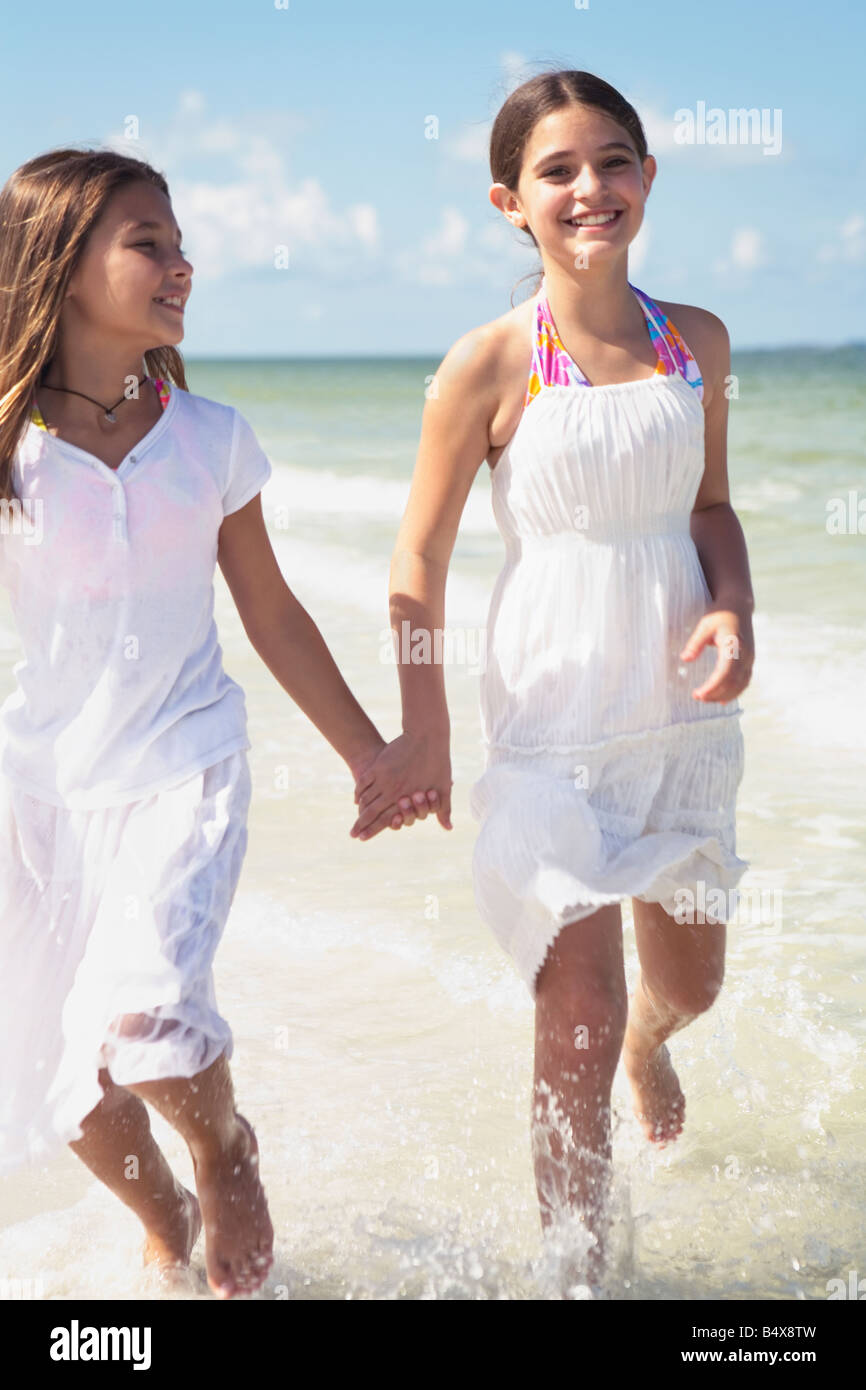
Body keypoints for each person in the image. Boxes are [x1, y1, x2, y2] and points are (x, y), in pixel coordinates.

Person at [0, 146, 436, 1299]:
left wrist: (371, 754)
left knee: (149, 1009)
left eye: (179, 242)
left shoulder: (209, 437)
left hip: (183, 762)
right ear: (58, 261)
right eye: (149, 242)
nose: (180, 264)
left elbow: (274, 614)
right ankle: (166, 1216)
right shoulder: (8, 449)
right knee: (59, 1077)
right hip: (39, 791)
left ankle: (223, 1150)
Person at [350, 69, 756, 1290]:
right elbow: (414, 555)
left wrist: (732, 605)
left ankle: (651, 1045)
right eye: (558, 171)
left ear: (646, 177)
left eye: (613, 160)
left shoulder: (699, 339)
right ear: (507, 202)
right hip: (547, 724)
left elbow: (711, 504)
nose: (591, 188)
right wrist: (420, 733)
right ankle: (573, 1275)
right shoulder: (486, 361)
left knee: (685, 983)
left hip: (679, 717)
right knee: (570, 1003)